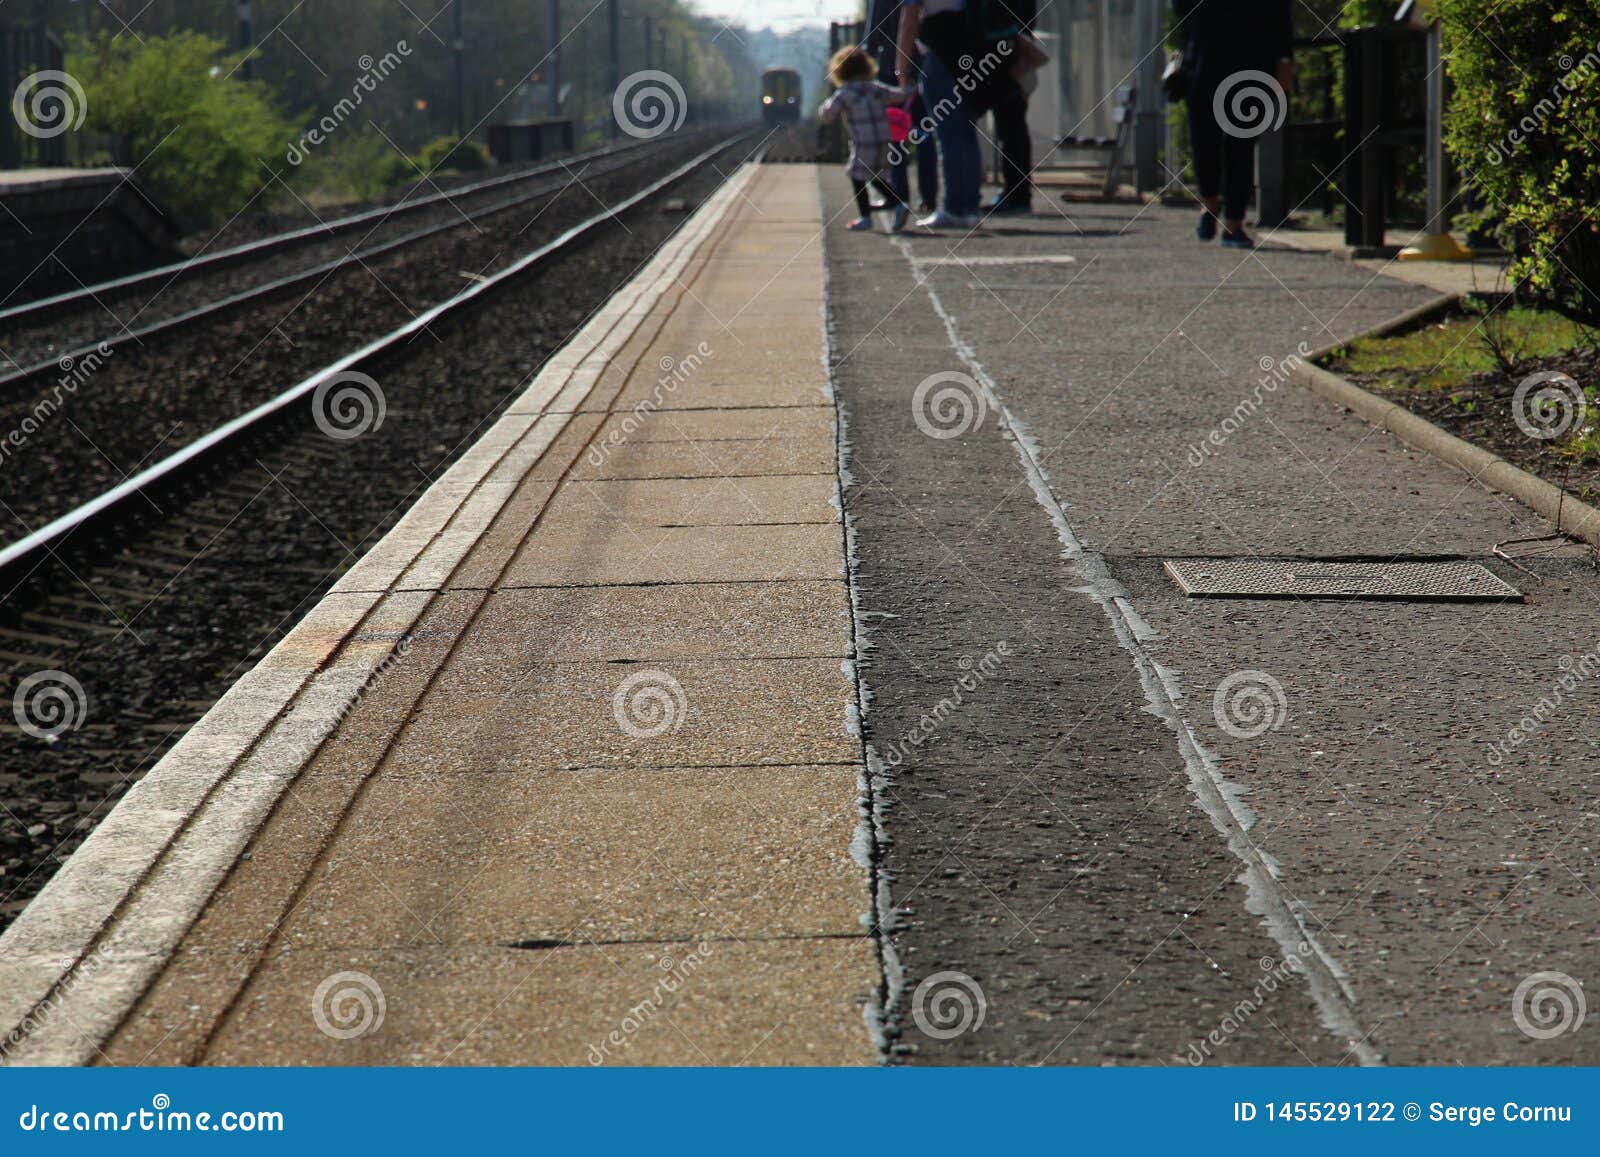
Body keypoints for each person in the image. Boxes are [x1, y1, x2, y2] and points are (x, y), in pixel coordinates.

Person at [1175, 0, 1293, 248]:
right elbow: (1182, 10)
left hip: (1252, 57)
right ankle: (1210, 201)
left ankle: (1234, 223)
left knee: (1241, 142)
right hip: (1203, 58)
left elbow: (1280, 10)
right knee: (1203, 140)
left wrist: (1284, 60)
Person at [897, 0, 983, 228]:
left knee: (948, 136)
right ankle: (971, 207)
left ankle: (953, 208)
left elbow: (909, 20)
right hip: (971, 55)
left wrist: (902, 67)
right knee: (967, 133)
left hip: (940, 57)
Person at [819, 46, 914, 232]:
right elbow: (899, 95)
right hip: (885, 140)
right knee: (875, 175)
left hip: (863, 142)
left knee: (856, 175)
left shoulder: (844, 93)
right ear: (866, 67)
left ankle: (870, 215)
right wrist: (911, 87)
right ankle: (893, 202)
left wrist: (822, 109)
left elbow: (827, 114)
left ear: (840, 71)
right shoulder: (875, 88)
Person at [868, 0, 939, 213]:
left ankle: (899, 197)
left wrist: (868, 66)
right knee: (924, 134)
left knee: (896, 137)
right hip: (925, 66)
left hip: (892, 69)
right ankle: (929, 197)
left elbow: (875, 31)